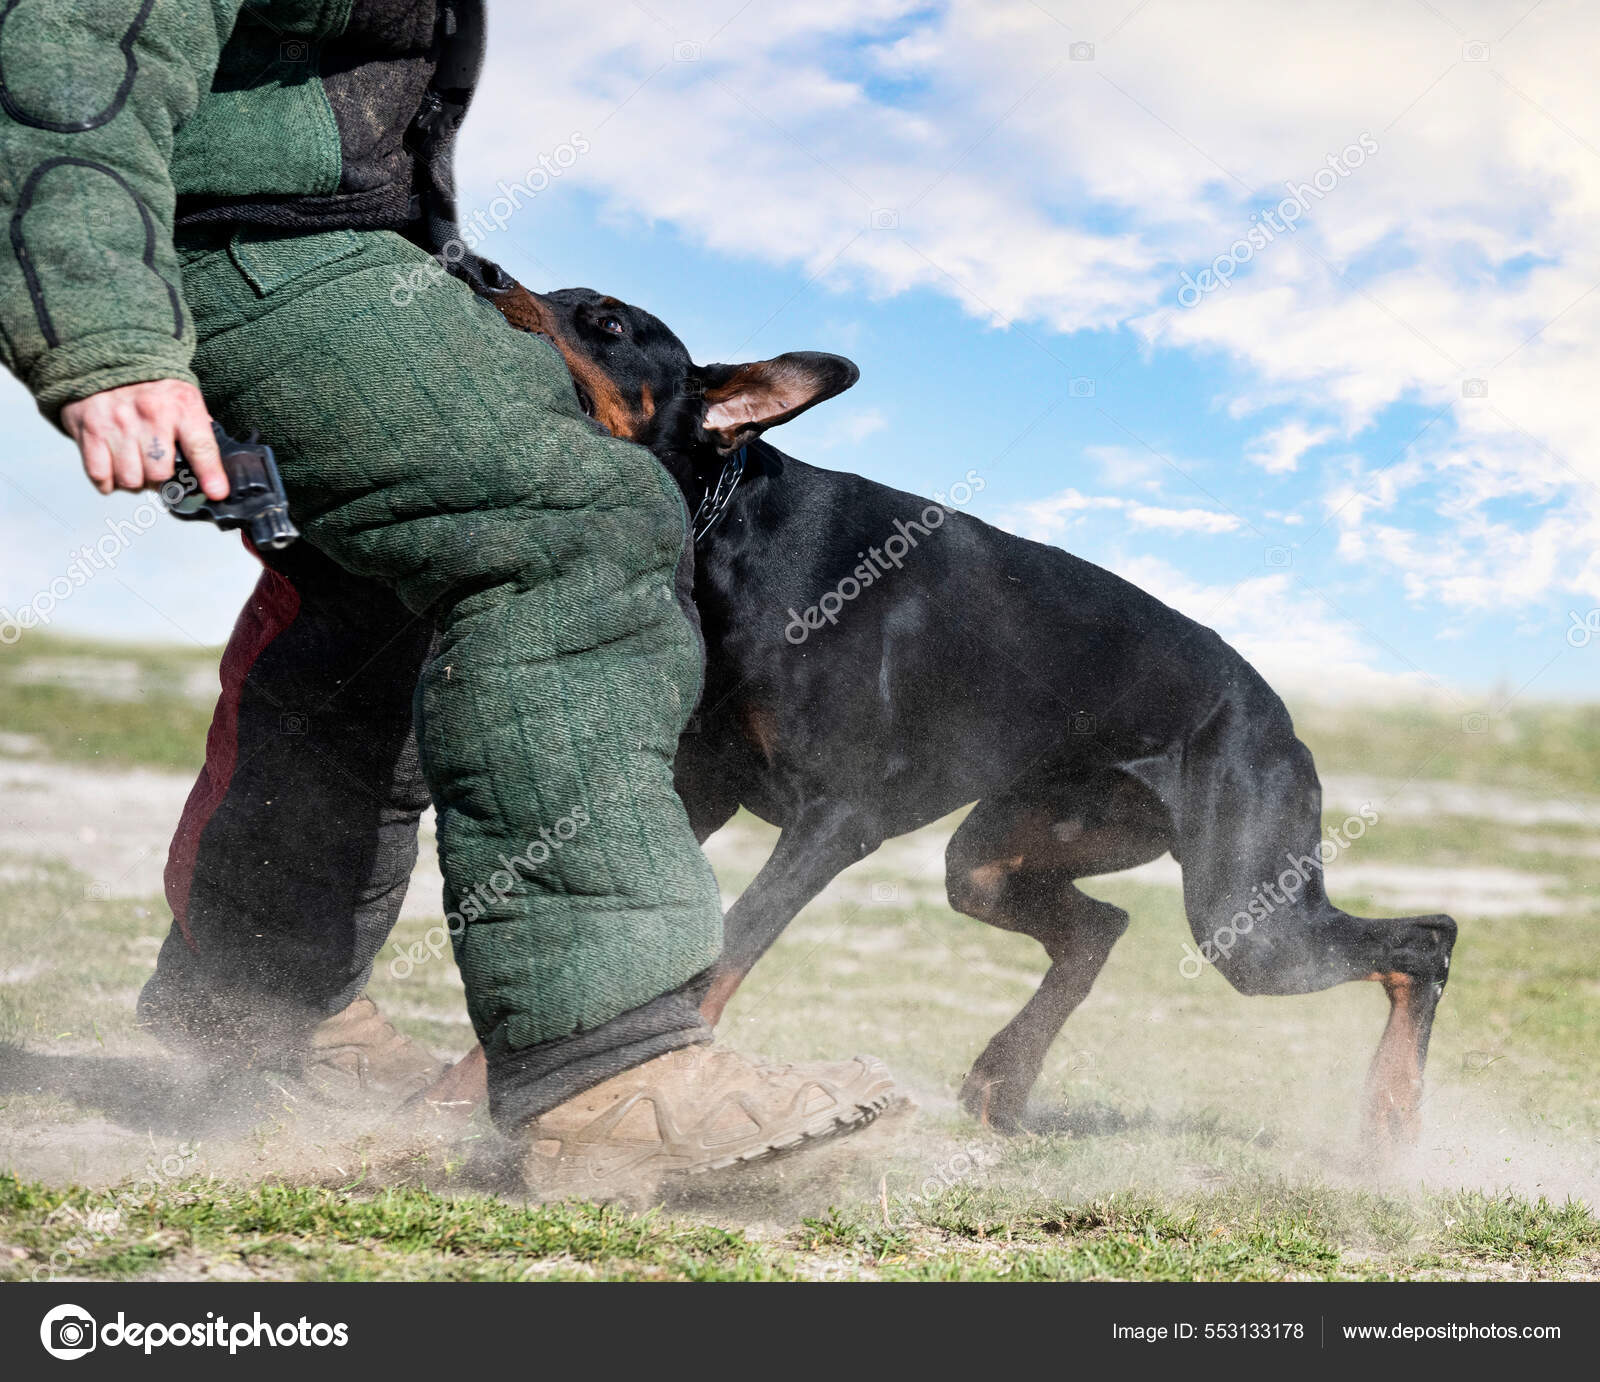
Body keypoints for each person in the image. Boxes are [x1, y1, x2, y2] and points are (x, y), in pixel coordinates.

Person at [0, 1, 895, 1191]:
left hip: (326, 253)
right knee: (581, 519)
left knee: (375, 612)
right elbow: (70, 47)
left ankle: (257, 1018)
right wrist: (109, 336)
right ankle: (604, 1069)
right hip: (226, 251)